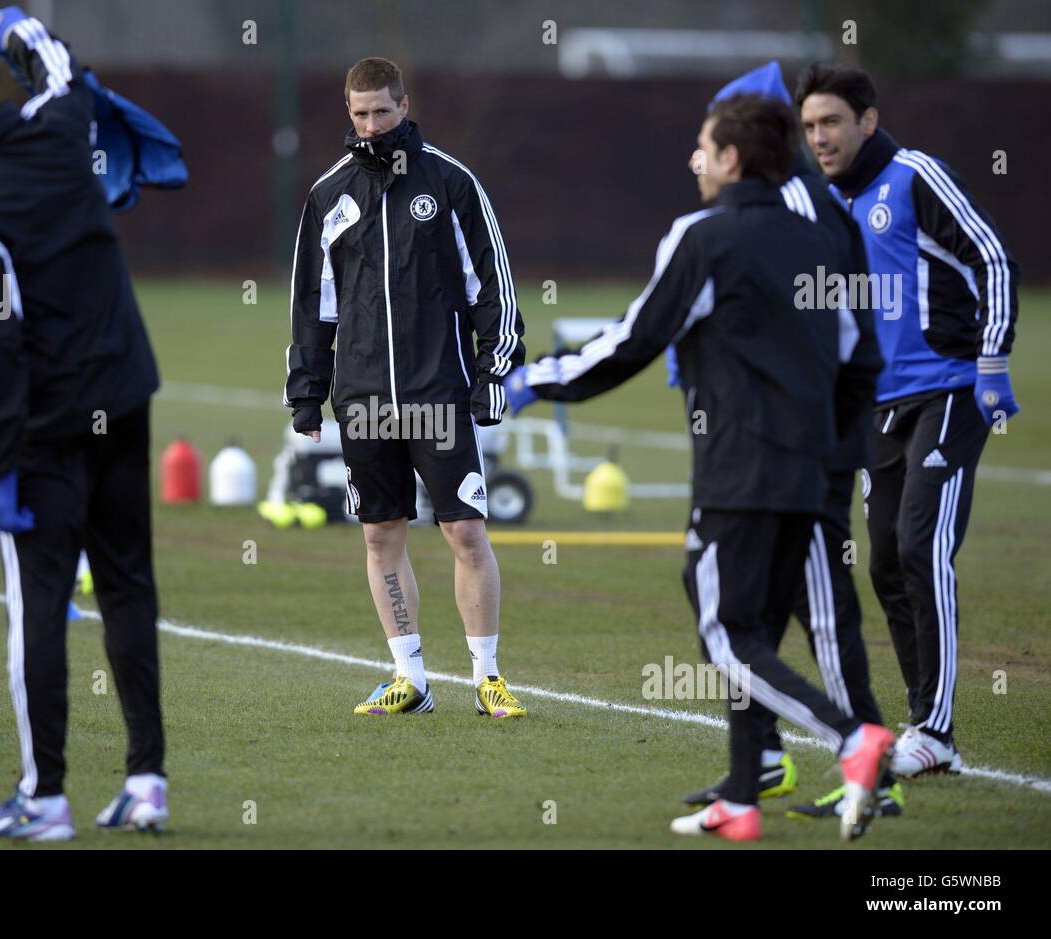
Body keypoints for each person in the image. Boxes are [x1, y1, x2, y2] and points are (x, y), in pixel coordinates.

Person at [506, 94, 894, 841]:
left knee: (726, 634)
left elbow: (631, 341)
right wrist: (822, 443)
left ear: (731, 159)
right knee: (754, 634)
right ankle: (743, 798)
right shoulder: (822, 240)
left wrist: (533, 380)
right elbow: (861, 362)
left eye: (704, 147)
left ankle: (853, 737)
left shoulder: (706, 237)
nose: (697, 160)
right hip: (810, 473)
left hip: (739, 472)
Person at [0, 6, 166, 840]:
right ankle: (146, 783)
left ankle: (45, 796)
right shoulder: (57, 131)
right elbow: (65, 72)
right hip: (125, 399)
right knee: (128, 587)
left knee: (39, 607)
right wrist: (14, 28)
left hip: (49, 430)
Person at [671, 63, 902, 823]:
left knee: (821, 608)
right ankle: (759, 761)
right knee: (751, 612)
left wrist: (831, 443)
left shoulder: (803, 209)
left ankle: (869, 760)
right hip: (779, 440)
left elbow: (851, 326)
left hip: (805, 449)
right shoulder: (778, 203)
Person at [284, 57, 527, 718]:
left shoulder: (451, 183)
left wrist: (491, 373)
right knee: (379, 536)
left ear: (404, 104)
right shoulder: (328, 195)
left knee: (465, 532)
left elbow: (493, 288)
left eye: (382, 112)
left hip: (438, 394)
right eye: (360, 114)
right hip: (362, 400)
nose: (371, 125)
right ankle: (409, 677)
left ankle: (488, 677)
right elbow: (314, 305)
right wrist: (308, 390)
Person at [796, 62, 1020, 778]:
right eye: (808, 126)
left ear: (867, 119)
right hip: (876, 411)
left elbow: (993, 257)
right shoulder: (827, 205)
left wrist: (992, 359)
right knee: (886, 560)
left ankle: (935, 726)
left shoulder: (916, 175)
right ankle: (928, 727)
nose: (820, 137)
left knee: (920, 544)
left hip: (951, 391)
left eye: (832, 121)